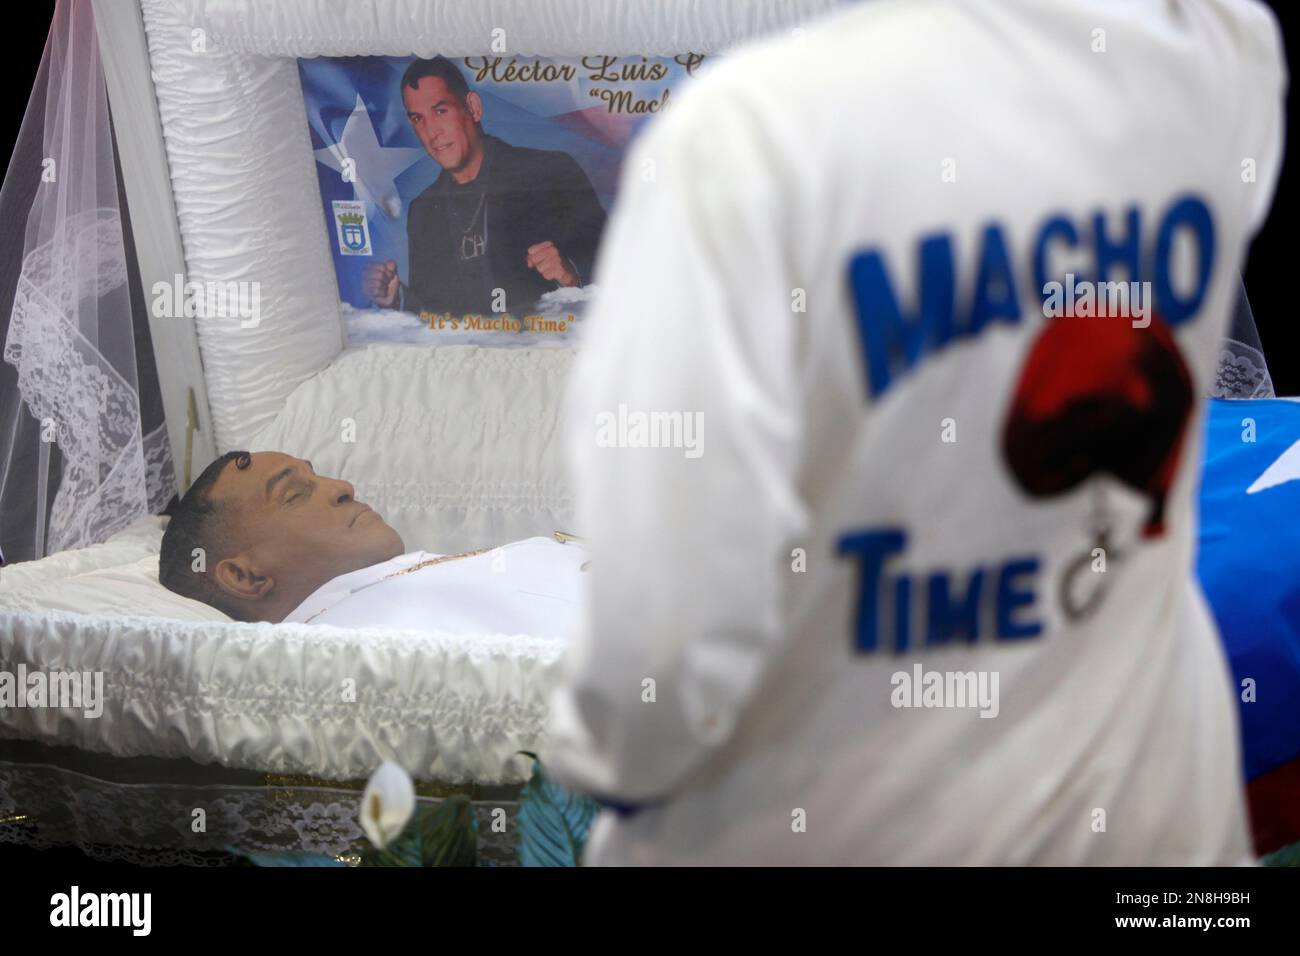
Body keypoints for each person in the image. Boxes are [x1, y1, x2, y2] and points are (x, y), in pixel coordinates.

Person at [545, 0, 1286, 865]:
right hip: (1155, 823)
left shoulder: (745, 139)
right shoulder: (1217, 61)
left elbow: (665, 638)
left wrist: (606, 767)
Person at [158, 451, 585, 633]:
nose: (342, 485)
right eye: (293, 494)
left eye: (317, 475)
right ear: (245, 575)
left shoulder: (382, 594)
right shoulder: (356, 652)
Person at [364, 56, 607, 318]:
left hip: (548, 347)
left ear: (473, 107)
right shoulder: (423, 210)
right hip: (469, 356)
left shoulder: (551, 172)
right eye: (418, 118)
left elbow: (623, 267)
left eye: (440, 111)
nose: (431, 131)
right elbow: (433, 314)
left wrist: (570, 276)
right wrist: (397, 298)